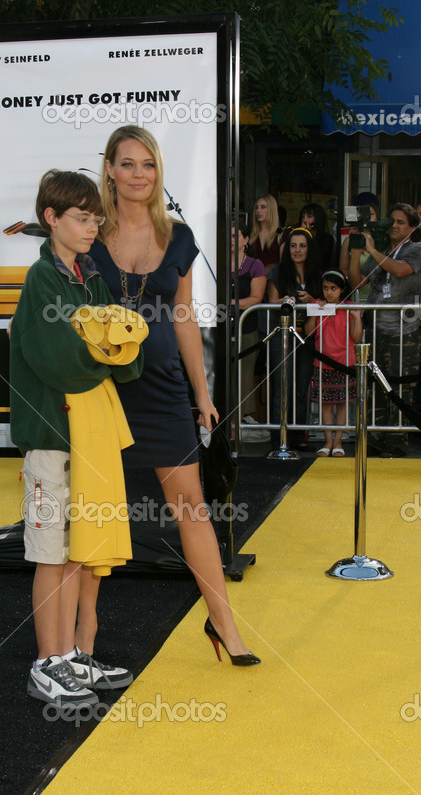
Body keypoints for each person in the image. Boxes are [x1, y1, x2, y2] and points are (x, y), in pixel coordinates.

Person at [91, 125, 260, 666]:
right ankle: (81, 642)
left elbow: (184, 316)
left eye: (148, 164)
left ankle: (224, 623)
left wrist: (202, 394)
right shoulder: (89, 234)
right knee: (93, 511)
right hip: (101, 389)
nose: (138, 174)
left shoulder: (178, 236)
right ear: (110, 170)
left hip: (163, 389)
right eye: (127, 164)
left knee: (192, 507)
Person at [10, 169, 144, 707]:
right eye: (82, 218)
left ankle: (67, 655)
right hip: (51, 433)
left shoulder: (89, 277)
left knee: (75, 549)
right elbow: (60, 360)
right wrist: (107, 347)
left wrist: (108, 345)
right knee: (50, 552)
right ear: (51, 218)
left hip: (86, 435)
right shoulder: (42, 279)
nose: (92, 228)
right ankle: (47, 663)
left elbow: (128, 355)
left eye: (96, 219)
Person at [348, 203, 421, 457]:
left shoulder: (417, 249)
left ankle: (397, 439)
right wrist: (356, 251)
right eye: (392, 221)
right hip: (376, 329)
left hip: (404, 331)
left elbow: (400, 270)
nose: (394, 226)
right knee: (376, 384)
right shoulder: (382, 252)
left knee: (400, 385)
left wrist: (371, 249)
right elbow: (357, 282)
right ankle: (375, 436)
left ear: (412, 228)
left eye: (401, 222)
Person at [266, 227, 322, 449]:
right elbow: (270, 301)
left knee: (301, 389)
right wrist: (284, 301)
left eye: (302, 246)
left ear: (310, 249)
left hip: (307, 337)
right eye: (293, 246)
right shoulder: (278, 271)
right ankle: (279, 440)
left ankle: (297, 439)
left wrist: (311, 300)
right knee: (282, 388)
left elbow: (325, 301)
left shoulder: (317, 274)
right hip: (282, 336)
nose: (297, 250)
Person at [305, 270, 362, 456]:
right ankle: (328, 441)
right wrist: (315, 312)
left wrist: (357, 317)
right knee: (326, 404)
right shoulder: (317, 304)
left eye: (333, 288)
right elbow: (309, 332)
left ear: (342, 289)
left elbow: (356, 337)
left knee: (343, 404)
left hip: (344, 363)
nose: (329, 292)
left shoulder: (350, 307)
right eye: (326, 288)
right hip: (323, 362)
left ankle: (338, 442)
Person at [231, 219, 267, 431]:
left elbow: (256, 298)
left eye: (235, 236)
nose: (231, 240)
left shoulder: (255, 265)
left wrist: (228, 303)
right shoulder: (217, 263)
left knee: (244, 376)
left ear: (245, 240)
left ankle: (239, 422)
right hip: (222, 328)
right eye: (228, 236)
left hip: (246, 329)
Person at [282, 202, 334, 269]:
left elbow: (317, 260)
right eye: (303, 217)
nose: (304, 220)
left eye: (309, 216)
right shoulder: (296, 235)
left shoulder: (327, 239)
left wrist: (307, 234)